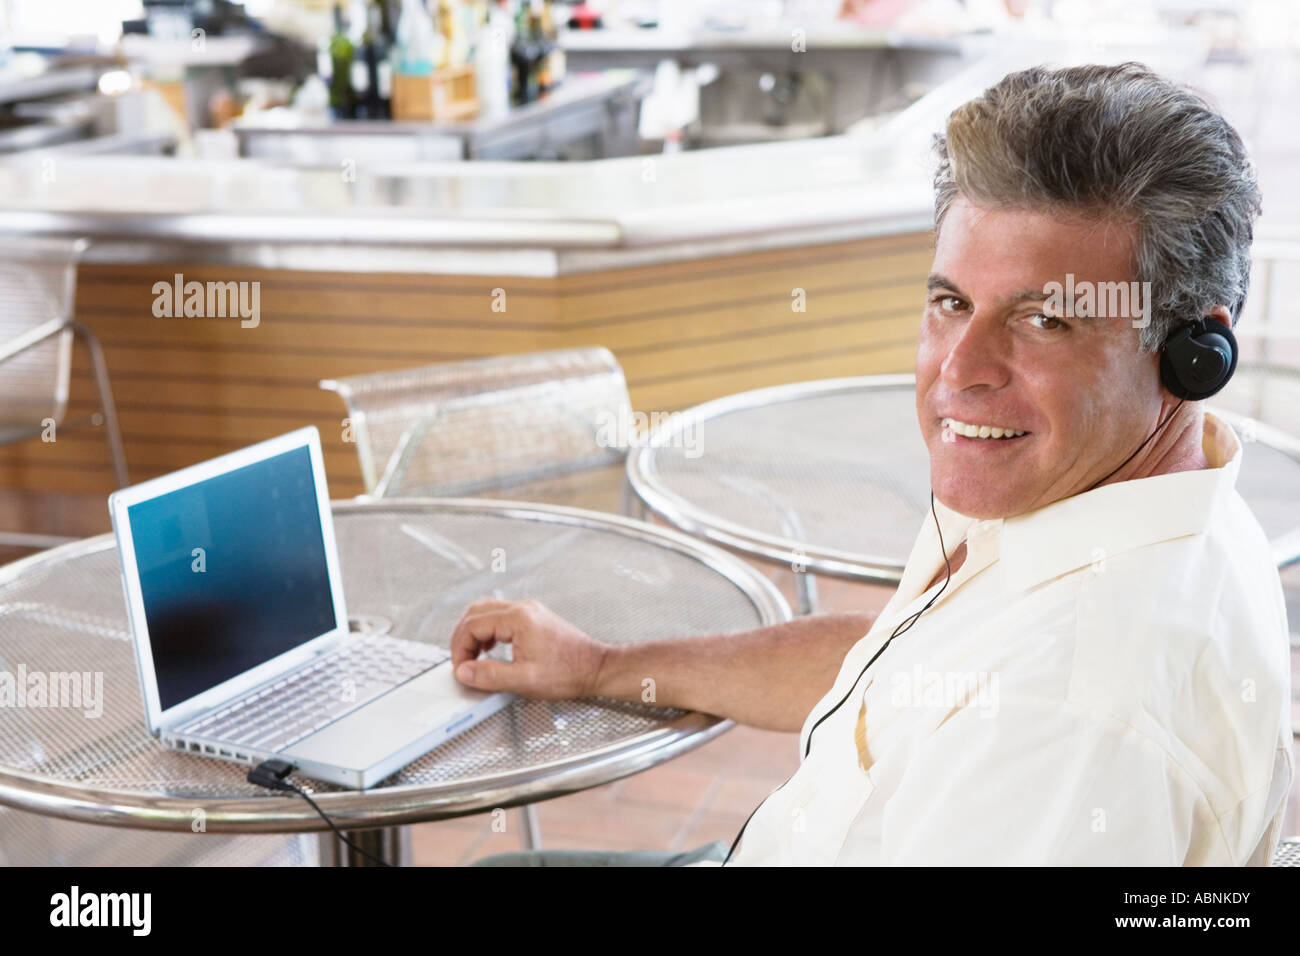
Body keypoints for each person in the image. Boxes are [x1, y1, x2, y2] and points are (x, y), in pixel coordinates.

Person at [454, 62, 1294, 866]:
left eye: (1045, 321)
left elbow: (1020, 700)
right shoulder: (1111, 497)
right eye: (950, 303)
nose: (959, 372)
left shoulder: (1073, 714)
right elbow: (908, 667)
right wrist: (601, 665)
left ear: (1193, 354)